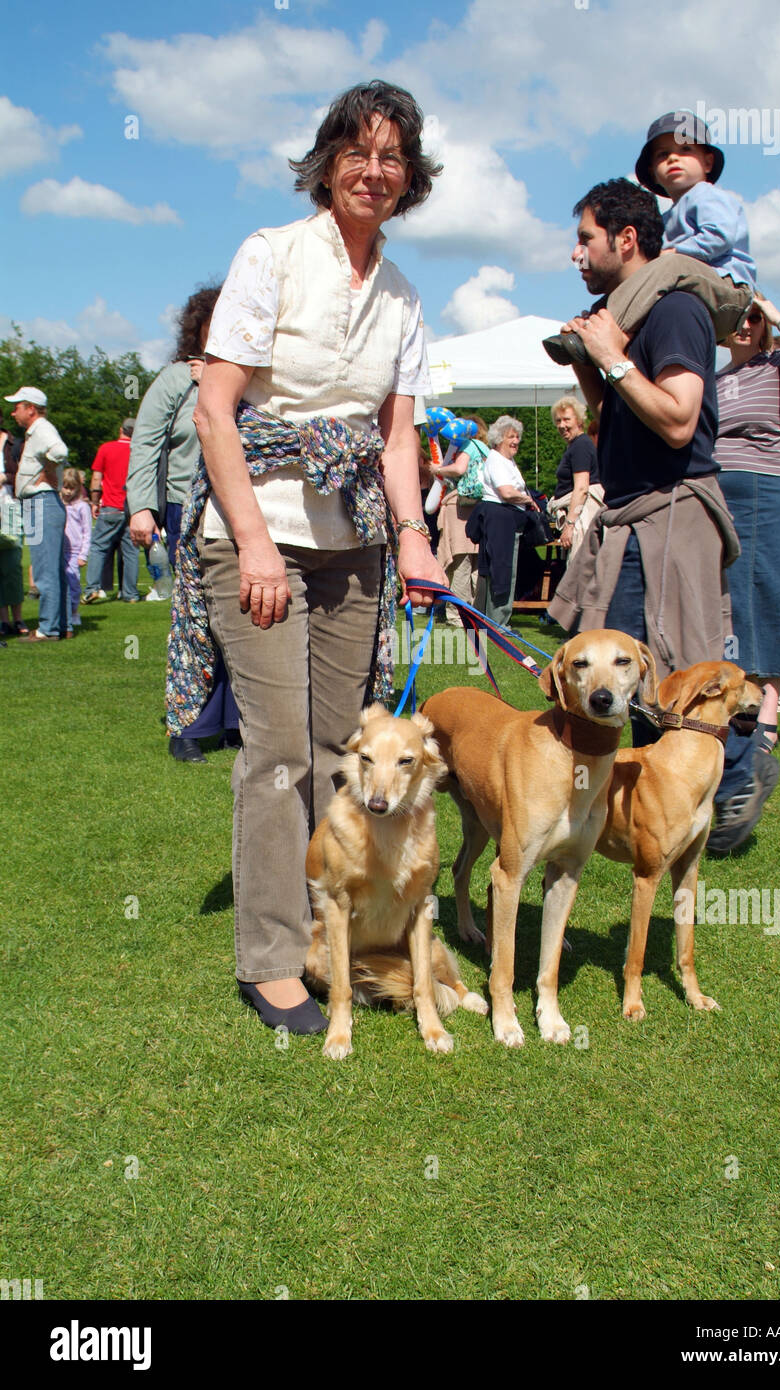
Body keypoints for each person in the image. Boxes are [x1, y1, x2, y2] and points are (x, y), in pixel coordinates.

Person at [175, 80, 446, 1034]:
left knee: (344, 749)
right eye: (358, 152)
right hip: (259, 531)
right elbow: (216, 405)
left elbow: (399, 436)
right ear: (328, 162)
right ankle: (273, 957)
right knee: (280, 752)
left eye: (393, 156)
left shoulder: (406, 294)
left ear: (410, 177)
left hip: (356, 545)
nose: (375, 170)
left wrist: (416, 539)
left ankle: (340, 933)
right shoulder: (271, 255)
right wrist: (251, 538)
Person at [560, 179, 777, 851]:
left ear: (627, 239)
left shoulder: (676, 308)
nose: (576, 254)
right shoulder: (623, 313)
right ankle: (624, 808)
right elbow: (620, 416)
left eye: (585, 238)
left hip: (674, 511)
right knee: (617, 665)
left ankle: (736, 779)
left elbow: (679, 421)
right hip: (630, 517)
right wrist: (596, 365)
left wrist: (610, 356)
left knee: (683, 671)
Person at [712, 294, 780, 809]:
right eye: (737, 316)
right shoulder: (712, 379)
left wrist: (772, 309)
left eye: (752, 318)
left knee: (770, 591)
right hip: (720, 490)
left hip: (770, 488)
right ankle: (738, 704)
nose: (745, 325)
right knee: (731, 600)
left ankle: (770, 712)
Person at [544, 111, 755, 368]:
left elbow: (719, 236)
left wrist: (675, 253)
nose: (673, 158)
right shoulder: (666, 217)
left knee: (667, 267)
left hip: (728, 287)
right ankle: (587, 327)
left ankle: (615, 334)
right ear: (653, 173)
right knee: (634, 281)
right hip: (695, 290)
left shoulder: (707, 196)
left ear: (708, 162)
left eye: (685, 149)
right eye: (662, 154)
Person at [127, 287, 240, 763]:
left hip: (243, 511)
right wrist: (141, 507)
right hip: (186, 509)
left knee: (246, 616)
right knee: (197, 619)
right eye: (217, 321)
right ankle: (190, 725)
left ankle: (236, 721)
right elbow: (146, 444)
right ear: (199, 328)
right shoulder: (175, 379)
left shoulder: (255, 379)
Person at [4, 386, 69, 641]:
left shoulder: (42, 429)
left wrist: (49, 470)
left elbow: (60, 452)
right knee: (52, 567)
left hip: (40, 502)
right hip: (43, 502)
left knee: (44, 568)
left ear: (31, 409)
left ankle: (47, 629)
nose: (13, 413)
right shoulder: (39, 430)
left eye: (17, 407)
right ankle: (61, 625)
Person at [466, 414, 539, 630]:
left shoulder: (506, 461)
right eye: (511, 437)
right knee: (503, 571)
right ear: (499, 439)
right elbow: (506, 492)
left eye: (517, 437)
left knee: (493, 571)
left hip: (503, 520)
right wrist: (528, 500)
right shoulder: (497, 460)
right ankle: (499, 623)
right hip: (501, 521)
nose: (516, 441)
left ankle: (486, 620)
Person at [545, 396, 604, 627]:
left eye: (566, 419)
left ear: (579, 420)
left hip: (583, 516)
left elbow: (581, 488)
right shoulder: (577, 446)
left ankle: (583, 626)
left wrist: (569, 525)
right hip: (580, 513)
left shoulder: (580, 446)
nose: (562, 425)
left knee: (581, 571)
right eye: (558, 420)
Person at [430, 414, 486, 627]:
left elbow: (459, 469)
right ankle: (476, 612)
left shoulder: (467, 447)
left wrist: (439, 470)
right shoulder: (485, 450)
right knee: (476, 566)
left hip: (461, 511)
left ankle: (458, 614)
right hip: (480, 511)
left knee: (460, 563)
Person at [82, 419, 140, 605]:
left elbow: (97, 478)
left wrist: (94, 501)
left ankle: (92, 588)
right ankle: (130, 593)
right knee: (131, 551)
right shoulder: (139, 450)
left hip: (111, 506)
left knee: (98, 547)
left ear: (121, 430)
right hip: (132, 507)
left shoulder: (106, 448)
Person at [0, 409, 28, 637]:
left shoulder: (14, 444)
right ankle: (3, 620)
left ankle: (18, 618)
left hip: (9, 504)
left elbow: (26, 474)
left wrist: (6, 477)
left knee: (12, 564)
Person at [61, 468, 91, 631]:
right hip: (61, 550)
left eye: (71, 488)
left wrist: (83, 554)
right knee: (61, 583)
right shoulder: (59, 504)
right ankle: (63, 612)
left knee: (73, 584)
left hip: (74, 552)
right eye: (65, 487)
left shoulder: (82, 507)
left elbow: (87, 532)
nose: (67, 491)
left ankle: (73, 612)